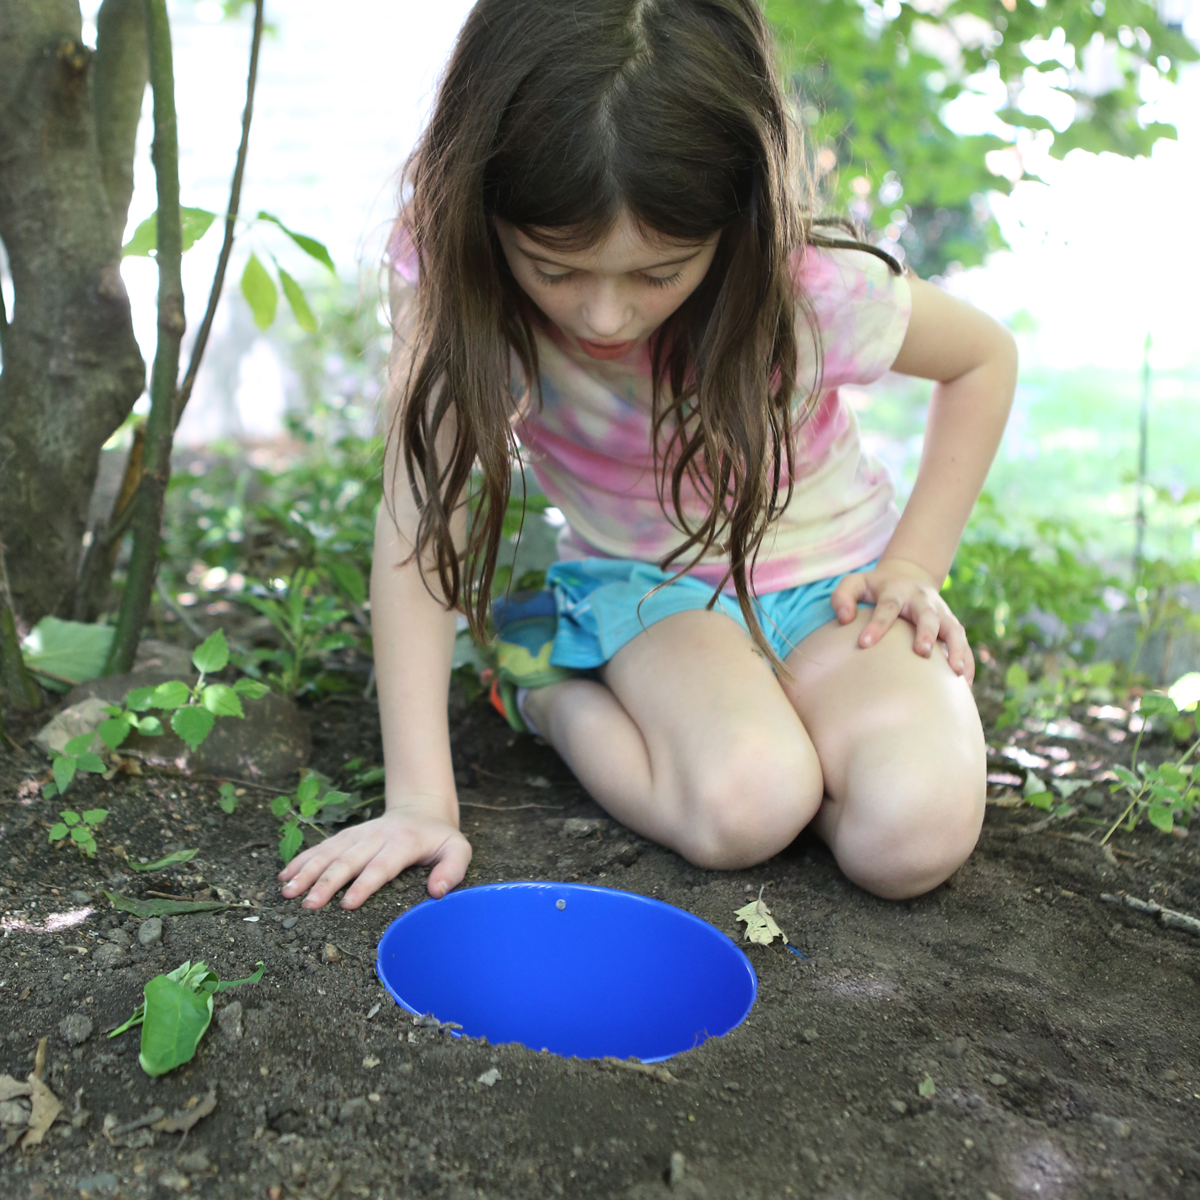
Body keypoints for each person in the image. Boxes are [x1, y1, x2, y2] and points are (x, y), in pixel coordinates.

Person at [279, 0, 1016, 913]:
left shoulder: (805, 286)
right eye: (554, 268)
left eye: (659, 273)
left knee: (913, 834)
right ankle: (541, 674)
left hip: (842, 587)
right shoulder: (459, 277)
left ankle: (792, 738)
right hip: (652, 593)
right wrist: (421, 803)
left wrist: (914, 564)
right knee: (748, 808)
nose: (602, 318)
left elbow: (984, 359)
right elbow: (422, 513)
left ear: (733, 219)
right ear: (487, 209)